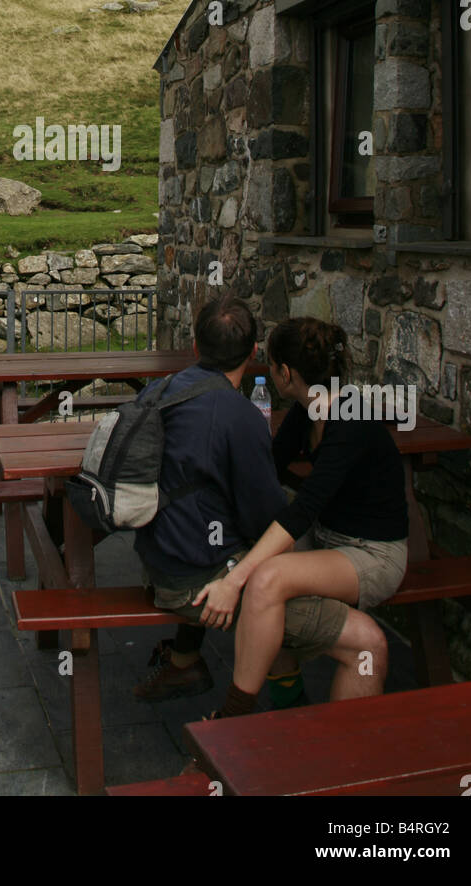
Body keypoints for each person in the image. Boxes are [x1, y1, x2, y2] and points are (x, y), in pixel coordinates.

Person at [134, 296, 388, 710]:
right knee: (364, 641)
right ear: (252, 353)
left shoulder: (157, 390)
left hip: (158, 558)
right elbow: (271, 518)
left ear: (195, 348)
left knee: (268, 567)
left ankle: (197, 666)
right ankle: (263, 720)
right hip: (198, 579)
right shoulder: (243, 416)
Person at [195, 316, 409, 718]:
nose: (270, 372)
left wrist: (236, 580)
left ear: (286, 373)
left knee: (266, 578)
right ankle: (290, 708)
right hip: (329, 536)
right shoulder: (306, 410)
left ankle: (234, 716)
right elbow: (267, 474)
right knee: (255, 557)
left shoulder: (350, 420)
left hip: (372, 553)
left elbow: (302, 510)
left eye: (272, 366)